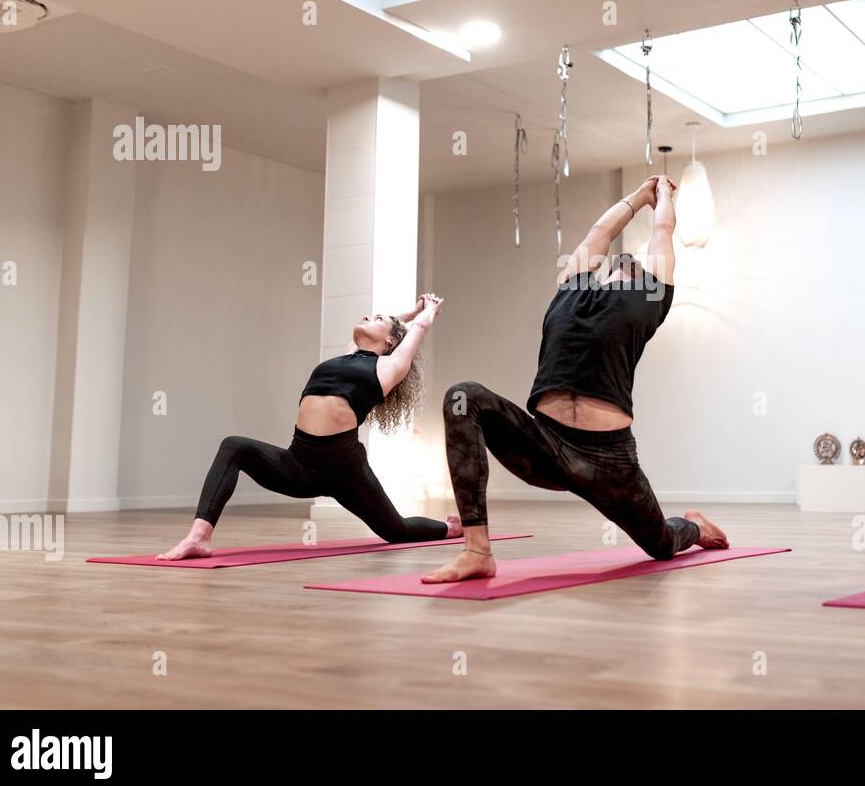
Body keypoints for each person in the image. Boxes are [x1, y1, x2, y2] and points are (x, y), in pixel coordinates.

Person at [422, 175, 727, 583]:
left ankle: (694, 527)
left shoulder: (650, 298)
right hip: (546, 446)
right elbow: (600, 232)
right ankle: (477, 551)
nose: (625, 262)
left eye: (633, 264)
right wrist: (637, 198)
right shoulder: (571, 289)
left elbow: (662, 230)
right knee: (463, 397)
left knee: (661, 545)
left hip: (609, 460)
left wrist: (665, 197)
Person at [157, 294, 459, 560]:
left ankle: (451, 527)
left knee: (398, 530)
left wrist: (426, 311)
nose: (366, 316)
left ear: (391, 342)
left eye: (377, 318)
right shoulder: (345, 357)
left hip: (346, 471)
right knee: (233, 446)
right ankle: (199, 536)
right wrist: (403, 314)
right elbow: (388, 330)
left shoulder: (388, 368)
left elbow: (417, 330)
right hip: (299, 466)